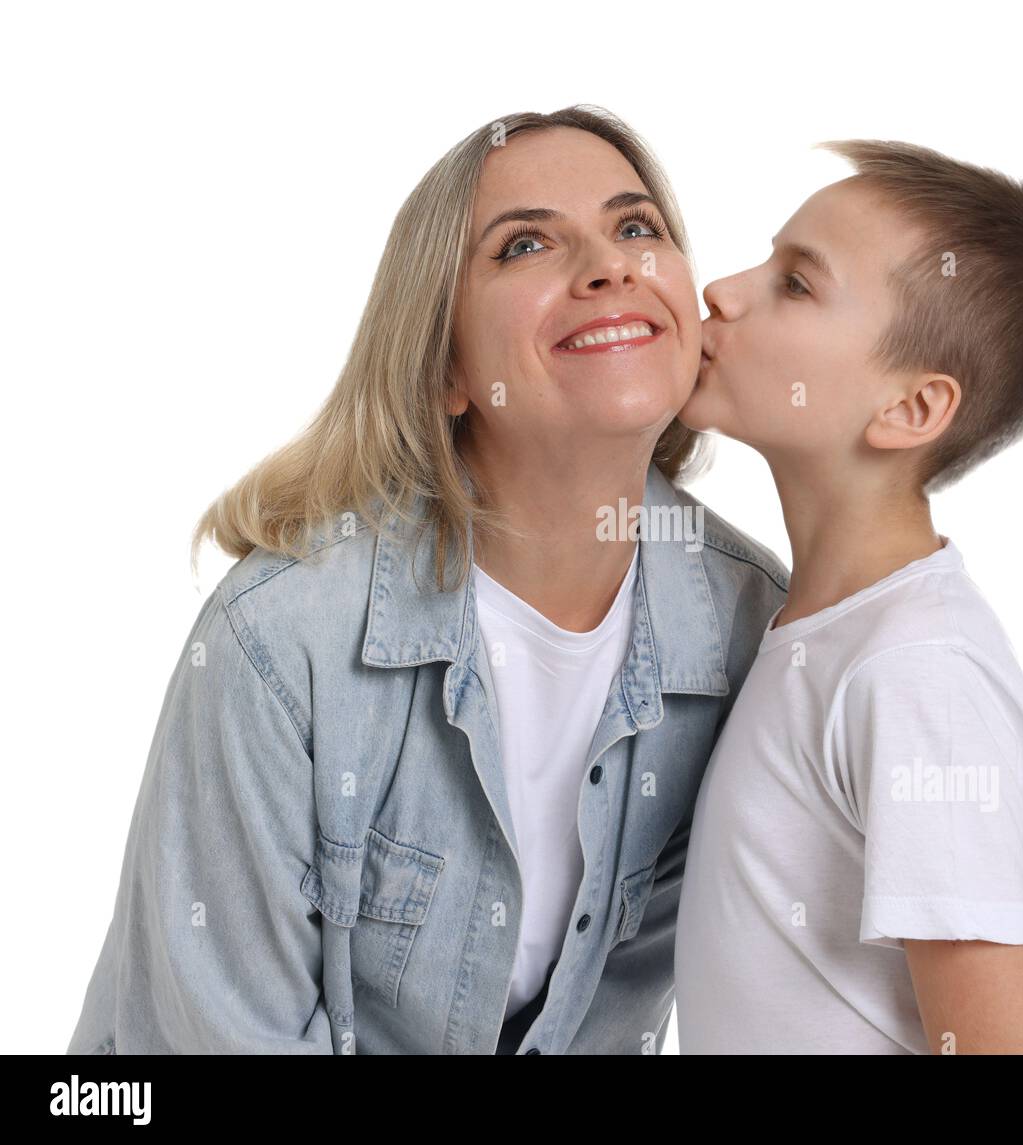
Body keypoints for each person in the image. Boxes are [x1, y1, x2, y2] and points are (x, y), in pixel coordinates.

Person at [66, 105, 788, 1055]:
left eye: (636, 226)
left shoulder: (752, 628)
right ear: (446, 364)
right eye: (526, 244)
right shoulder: (279, 637)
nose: (610, 265)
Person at [673, 140, 1023, 1053]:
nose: (724, 291)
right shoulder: (806, 627)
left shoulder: (916, 674)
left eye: (797, 283)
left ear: (910, 409)